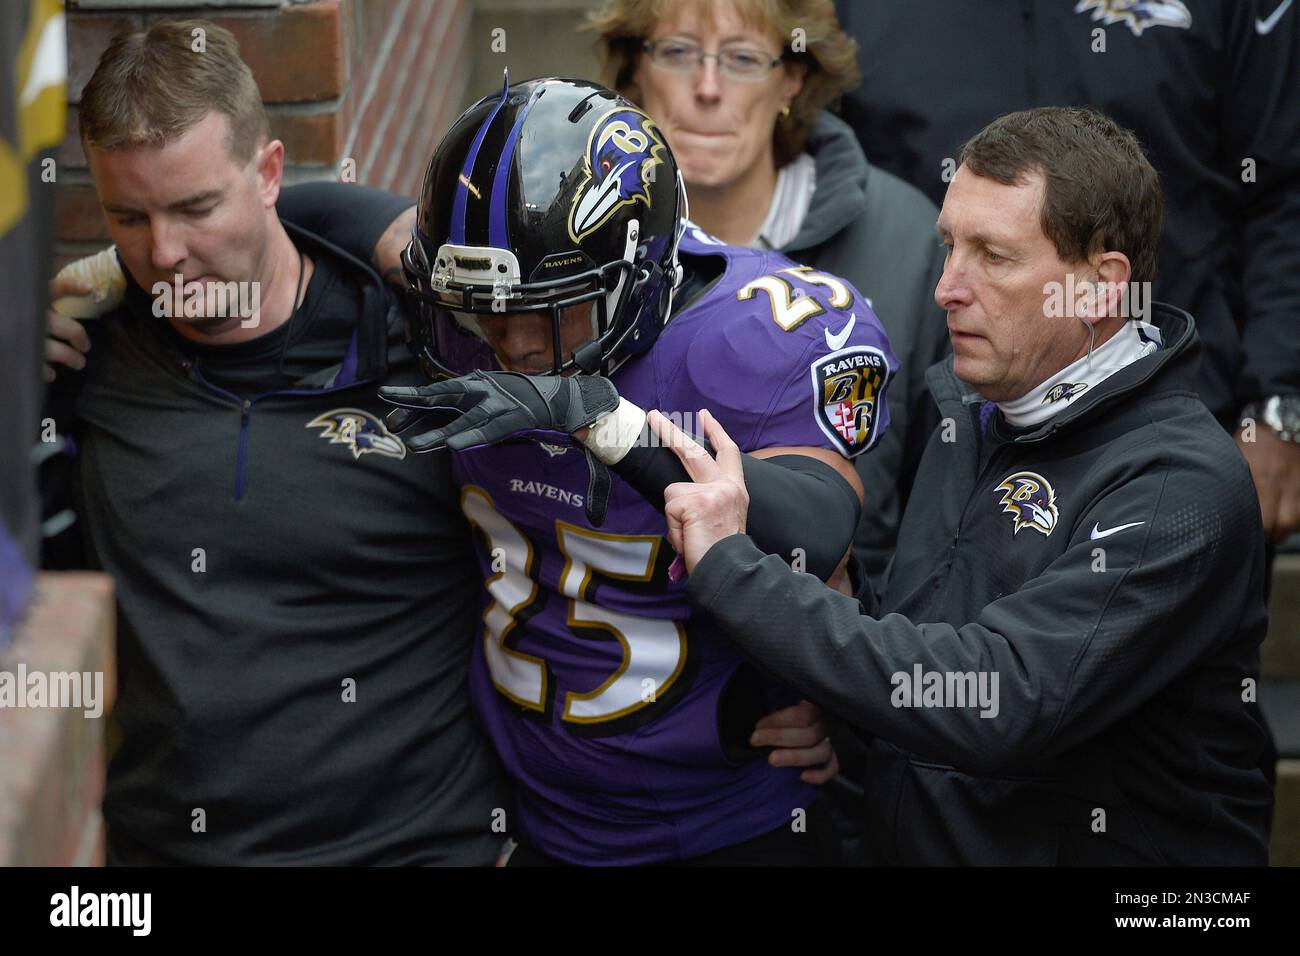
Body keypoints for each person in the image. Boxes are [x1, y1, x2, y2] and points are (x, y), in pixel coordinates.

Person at [645, 107, 1275, 864]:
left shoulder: (1180, 489)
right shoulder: (972, 407)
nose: (946, 288)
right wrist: (841, 702)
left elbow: (993, 698)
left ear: (1101, 288)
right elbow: (932, 645)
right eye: (948, 247)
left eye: (994, 257)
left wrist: (731, 569)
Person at [378, 76, 898, 865]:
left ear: (635, 277)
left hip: (728, 825)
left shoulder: (756, 335)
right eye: (480, 308)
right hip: (532, 810)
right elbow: (322, 213)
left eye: (543, 309)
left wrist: (605, 421)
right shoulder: (472, 320)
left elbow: (817, 526)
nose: (508, 343)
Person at [46, 19, 511, 865]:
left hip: (414, 848)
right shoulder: (83, 360)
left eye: (195, 208)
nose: (166, 254)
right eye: (128, 217)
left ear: (268, 173)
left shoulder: (422, 346)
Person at [833, 0, 1300, 546]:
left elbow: (1284, 186)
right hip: (920, 421)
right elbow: (831, 177)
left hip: (1177, 413)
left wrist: (1278, 404)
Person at [586, 0, 949, 585]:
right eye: (678, 52)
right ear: (634, 72)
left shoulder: (904, 240)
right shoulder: (574, 238)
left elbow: (941, 493)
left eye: (743, 58)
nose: (707, 88)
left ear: (793, 77)